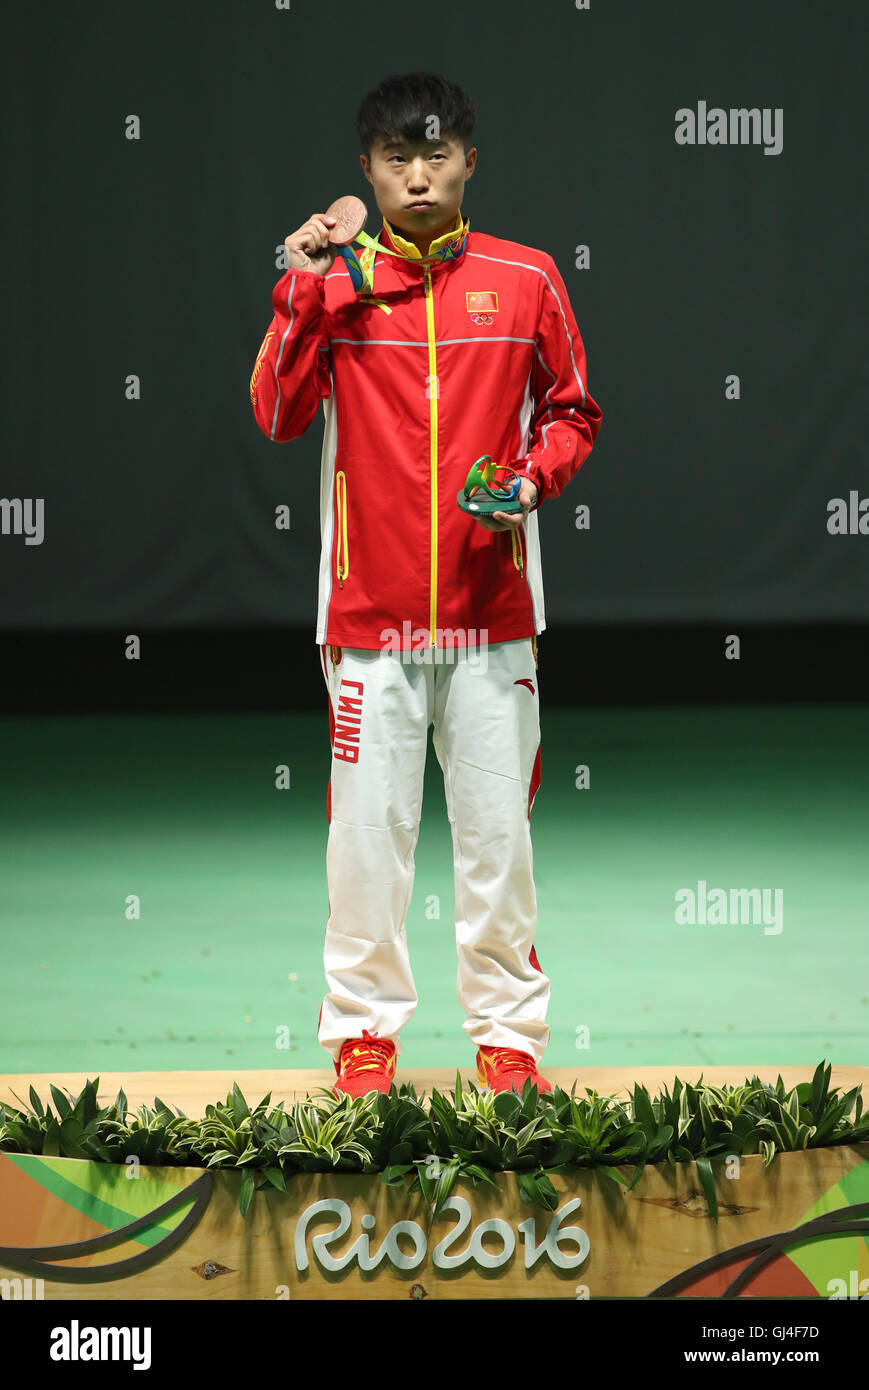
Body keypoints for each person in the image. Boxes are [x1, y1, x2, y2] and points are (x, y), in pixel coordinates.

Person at [250, 72, 602, 1098]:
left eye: (435, 155)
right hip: (368, 622)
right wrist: (299, 285)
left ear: (469, 163)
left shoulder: (526, 278)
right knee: (368, 839)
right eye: (395, 159)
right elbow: (276, 412)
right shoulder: (336, 283)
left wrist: (531, 481)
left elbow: (573, 411)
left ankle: (507, 1036)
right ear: (365, 168)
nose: (417, 175)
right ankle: (362, 1030)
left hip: (493, 620)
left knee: (498, 836)